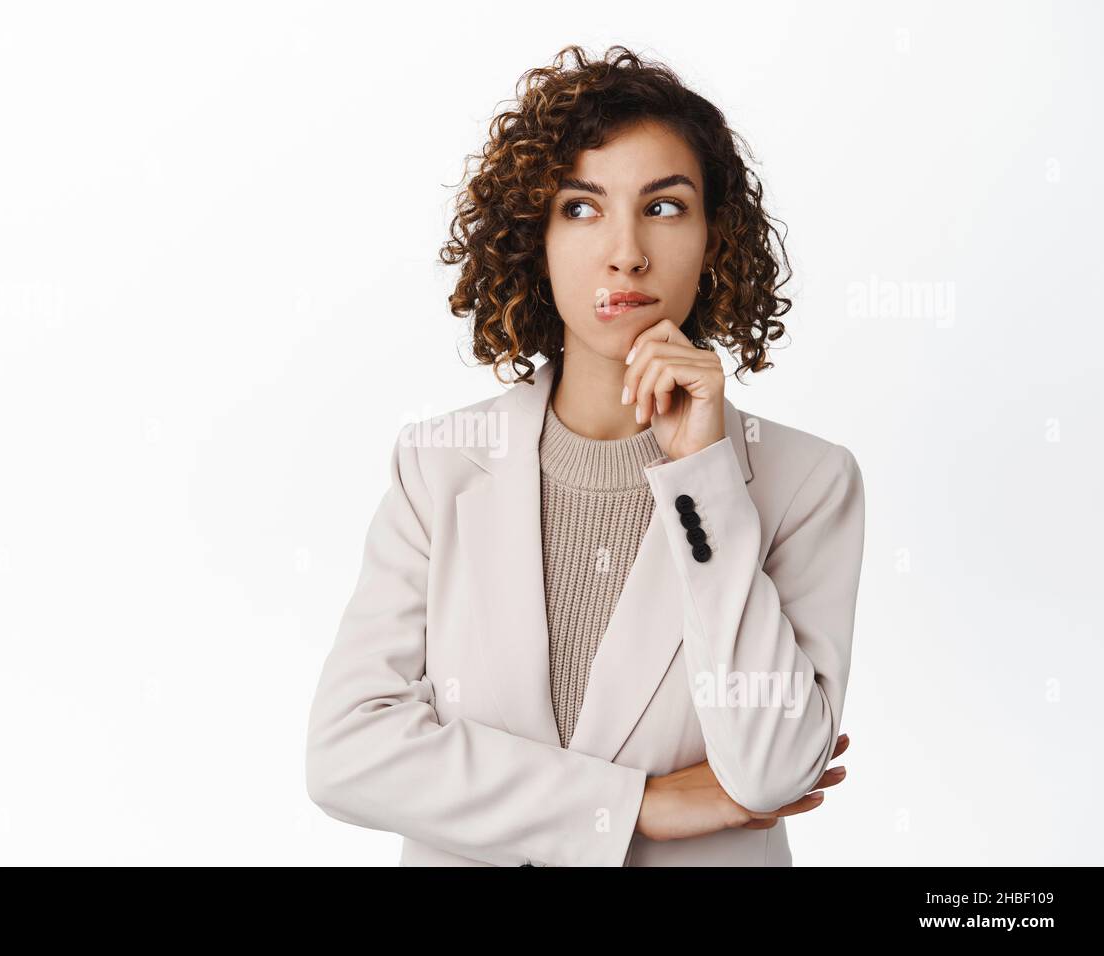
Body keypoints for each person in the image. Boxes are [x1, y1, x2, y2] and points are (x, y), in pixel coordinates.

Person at [305, 44, 866, 866]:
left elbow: (772, 768)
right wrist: (635, 808)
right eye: (581, 207)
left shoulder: (808, 483)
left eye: (665, 207)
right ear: (532, 237)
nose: (627, 252)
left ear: (716, 236)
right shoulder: (439, 465)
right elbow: (345, 755)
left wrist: (701, 474)